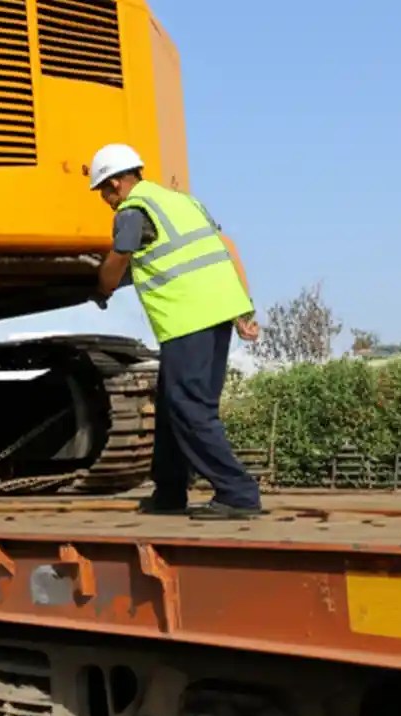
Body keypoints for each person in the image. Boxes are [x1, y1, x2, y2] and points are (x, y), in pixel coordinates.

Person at [88, 143, 263, 519]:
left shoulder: (132, 211)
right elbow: (225, 247)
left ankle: (238, 492)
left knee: (190, 407)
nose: (105, 199)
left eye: (104, 191)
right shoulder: (183, 202)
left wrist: (101, 288)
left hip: (188, 317)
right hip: (219, 309)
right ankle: (169, 491)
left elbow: (118, 260)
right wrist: (243, 308)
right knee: (173, 404)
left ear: (117, 183)